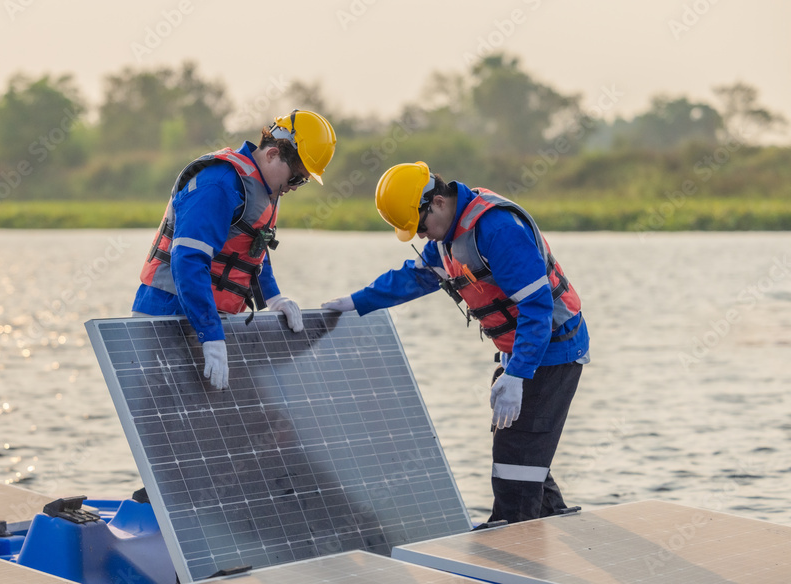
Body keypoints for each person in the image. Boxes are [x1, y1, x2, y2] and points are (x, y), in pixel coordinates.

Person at [322, 161, 589, 524]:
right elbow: (415, 278)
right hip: (521, 349)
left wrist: (518, 374)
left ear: (437, 202)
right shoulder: (448, 235)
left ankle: (513, 532)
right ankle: (550, 518)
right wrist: (356, 302)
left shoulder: (497, 230)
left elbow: (537, 307)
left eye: (419, 226)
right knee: (521, 444)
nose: (420, 236)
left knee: (517, 448)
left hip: (553, 348)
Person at [133, 110, 336, 390]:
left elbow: (252, 250)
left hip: (207, 321)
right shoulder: (219, 185)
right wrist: (210, 334)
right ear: (272, 154)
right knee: (164, 413)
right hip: (167, 316)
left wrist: (274, 298)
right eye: (296, 178)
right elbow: (189, 262)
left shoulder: (264, 189)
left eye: (304, 181)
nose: (295, 187)